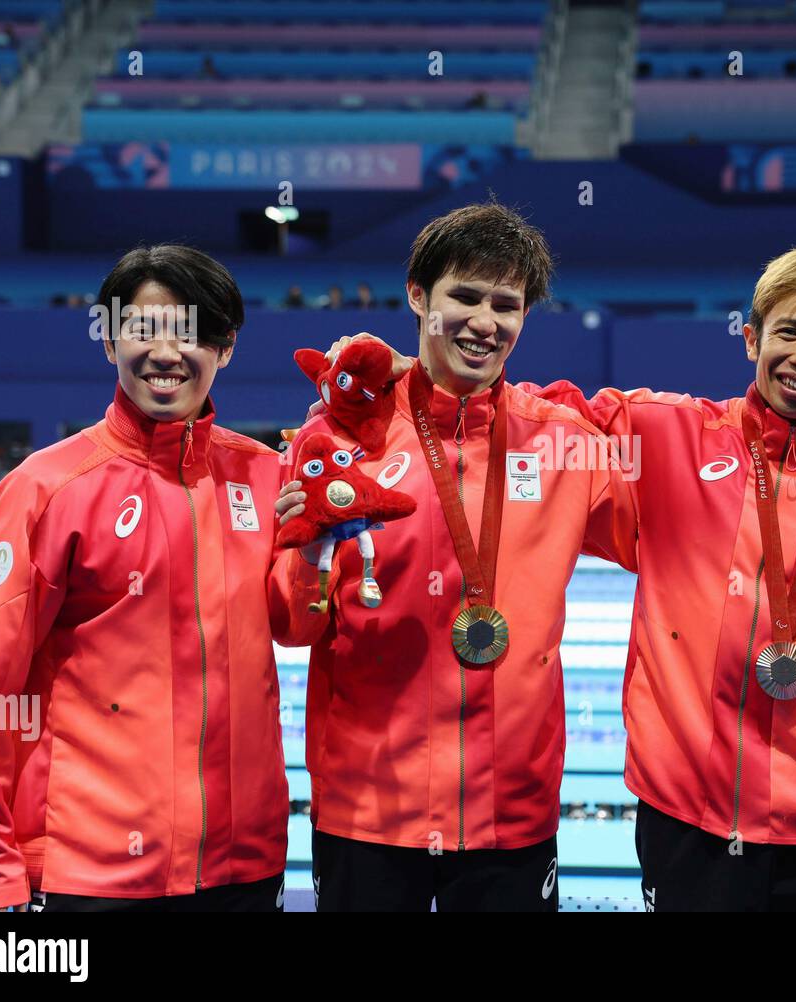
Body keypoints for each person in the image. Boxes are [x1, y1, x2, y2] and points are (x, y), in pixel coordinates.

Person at [337, 245, 796, 911]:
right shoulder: (668, 436)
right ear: (750, 339)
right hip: (687, 814)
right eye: (788, 331)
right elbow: (531, 411)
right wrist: (411, 381)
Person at [271, 202, 625, 912]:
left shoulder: (564, 442)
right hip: (368, 809)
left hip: (510, 815)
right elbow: (292, 625)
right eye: (464, 297)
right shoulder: (341, 436)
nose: (485, 322)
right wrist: (307, 553)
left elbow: (681, 537)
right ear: (417, 297)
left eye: (507, 304)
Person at [0, 245, 293, 912]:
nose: (168, 352)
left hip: (241, 867)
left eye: (193, 332)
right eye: (144, 330)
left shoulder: (263, 476)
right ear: (109, 342)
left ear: (226, 349)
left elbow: (301, 622)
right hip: (91, 874)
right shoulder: (44, 489)